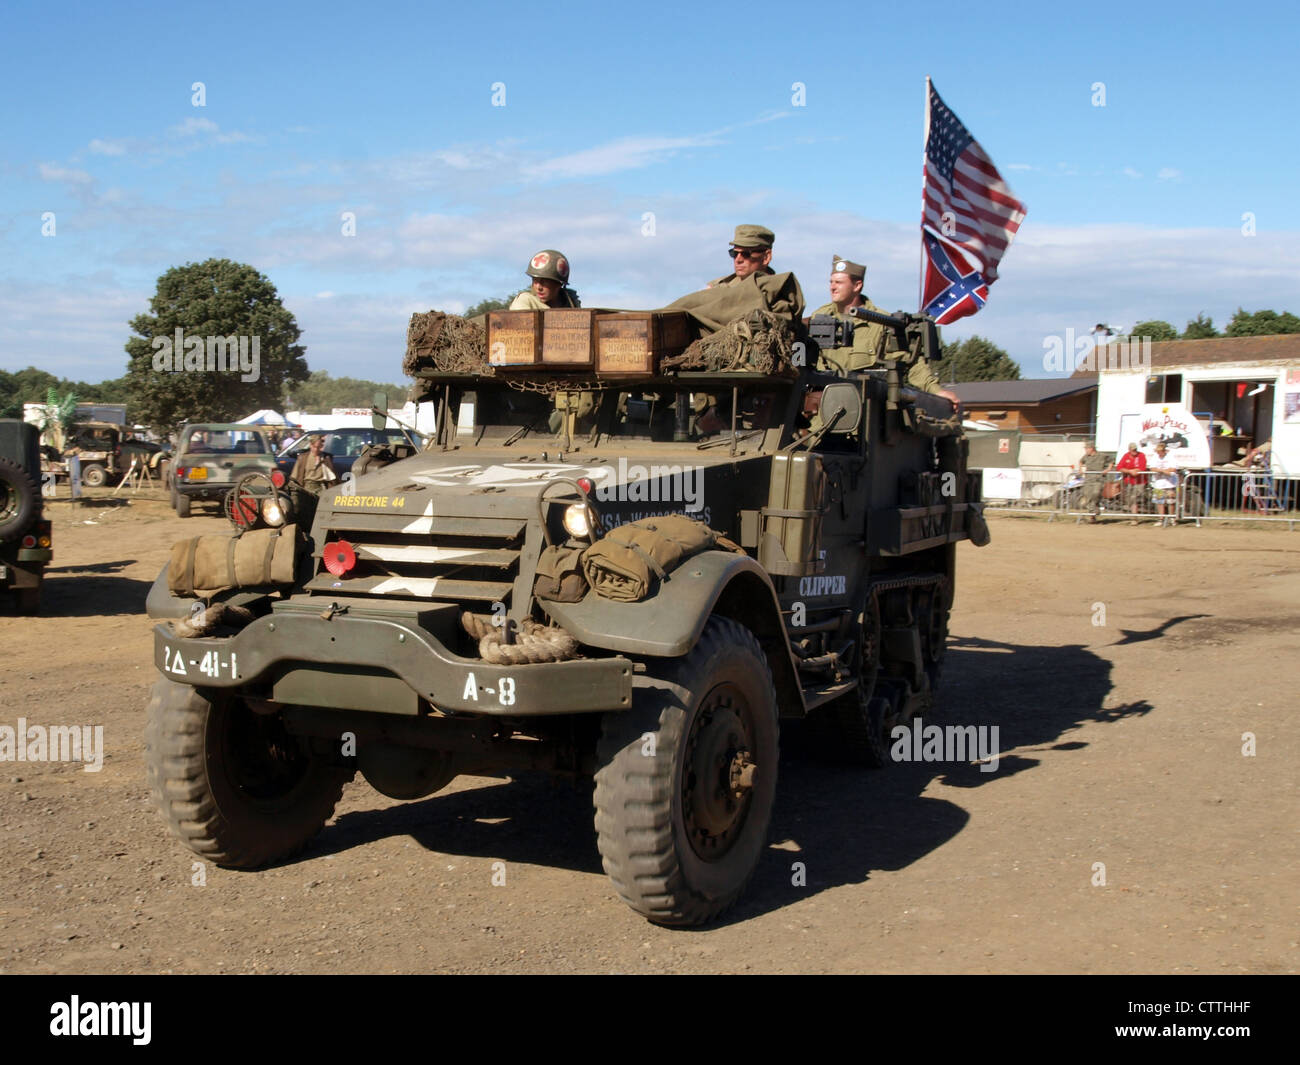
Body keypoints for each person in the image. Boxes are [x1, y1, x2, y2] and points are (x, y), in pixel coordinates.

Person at [811, 254, 957, 402]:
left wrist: (936, 391)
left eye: (839, 282)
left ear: (857, 285)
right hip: (823, 406)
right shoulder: (818, 318)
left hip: (865, 406)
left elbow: (911, 363)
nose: (832, 287)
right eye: (831, 282)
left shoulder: (881, 322)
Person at [663, 225, 804, 334]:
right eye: (734, 253)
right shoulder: (717, 287)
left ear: (766, 257)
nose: (738, 259)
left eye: (746, 254)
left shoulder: (778, 292)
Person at [508, 249, 580, 310]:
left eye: (545, 282)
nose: (539, 287)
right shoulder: (525, 301)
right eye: (535, 280)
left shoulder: (571, 302)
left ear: (559, 284)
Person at [1074, 441, 1113, 523]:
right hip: (1088, 479)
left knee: (1096, 493)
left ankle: (1095, 509)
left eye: (1087, 448)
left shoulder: (1101, 455)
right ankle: (1093, 516)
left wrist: (1108, 469)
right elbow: (1080, 461)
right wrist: (1080, 469)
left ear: (1092, 448)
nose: (1086, 450)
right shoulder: (1086, 456)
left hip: (1098, 479)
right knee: (1088, 496)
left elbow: (1111, 460)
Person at [1115, 441, 1148, 524]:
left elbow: (1142, 467)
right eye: (1133, 450)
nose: (1134, 451)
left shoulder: (1141, 455)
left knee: (1134, 498)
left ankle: (1134, 518)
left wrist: (1135, 471)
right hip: (1129, 481)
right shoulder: (1126, 456)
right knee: (1129, 499)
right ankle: (1134, 517)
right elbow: (1119, 467)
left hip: (1140, 481)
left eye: (1135, 449)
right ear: (1129, 450)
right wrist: (1129, 471)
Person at [1149, 442, 1179, 527]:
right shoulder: (1155, 457)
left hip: (1169, 483)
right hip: (1158, 484)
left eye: (1160, 451)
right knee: (1159, 502)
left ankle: (1172, 518)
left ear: (1164, 450)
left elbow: (1173, 468)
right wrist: (1162, 471)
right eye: (1158, 451)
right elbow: (1152, 468)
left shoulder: (1171, 457)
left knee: (1171, 501)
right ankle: (1160, 519)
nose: (1159, 453)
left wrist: (1165, 471)